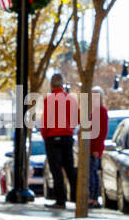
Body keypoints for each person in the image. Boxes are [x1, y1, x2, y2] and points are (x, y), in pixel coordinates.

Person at [40, 74, 78, 208]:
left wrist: (45, 136)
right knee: (69, 168)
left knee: (56, 171)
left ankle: (61, 200)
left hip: (52, 137)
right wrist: (70, 130)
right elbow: (76, 118)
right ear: (62, 85)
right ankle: (76, 197)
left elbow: (45, 121)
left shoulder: (49, 100)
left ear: (51, 85)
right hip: (67, 137)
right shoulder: (71, 100)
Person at [86, 86, 109, 208]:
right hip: (88, 147)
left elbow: (103, 131)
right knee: (90, 173)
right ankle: (91, 197)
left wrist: (97, 149)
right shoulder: (91, 111)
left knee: (93, 173)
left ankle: (93, 198)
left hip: (95, 148)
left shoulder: (101, 111)